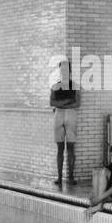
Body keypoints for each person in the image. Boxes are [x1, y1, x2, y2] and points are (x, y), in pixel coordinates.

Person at [49, 59, 80, 187]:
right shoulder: (55, 86)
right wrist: (67, 102)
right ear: (59, 70)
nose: (64, 71)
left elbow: (77, 103)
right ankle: (60, 177)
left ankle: (71, 177)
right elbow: (52, 103)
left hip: (71, 115)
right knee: (60, 148)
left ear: (70, 71)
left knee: (71, 148)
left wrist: (61, 103)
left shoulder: (75, 86)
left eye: (66, 69)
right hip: (59, 115)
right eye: (62, 69)